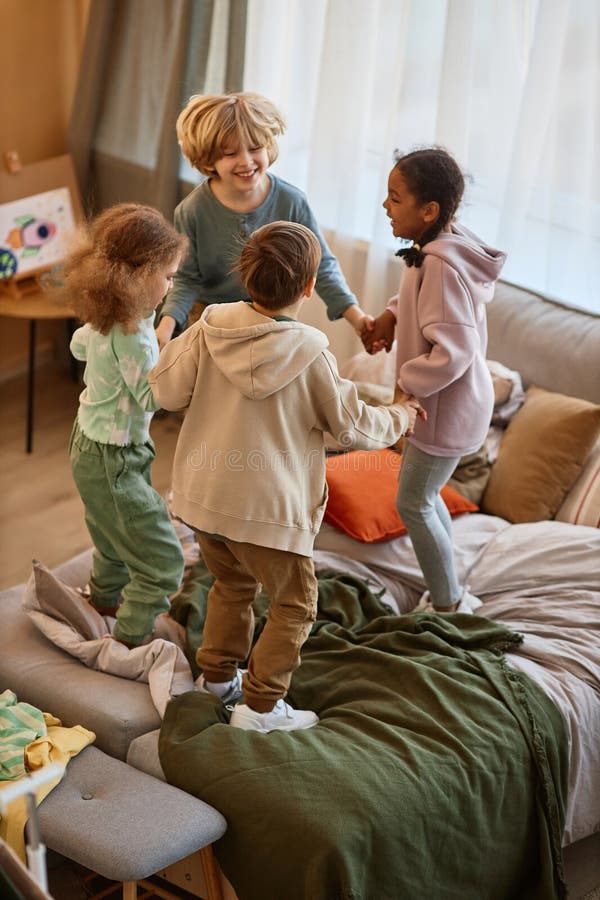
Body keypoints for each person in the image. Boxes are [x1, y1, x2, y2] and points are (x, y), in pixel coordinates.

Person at [149, 221, 421, 732]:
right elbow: (351, 424)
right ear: (308, 288)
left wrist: (176, 342)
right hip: (270, 514)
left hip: (203, 501)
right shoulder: (312, 350)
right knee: (296, 603)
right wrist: (401, 417)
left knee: (230, 585)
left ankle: (217, 678)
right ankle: (261, 706)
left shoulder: (209, 327)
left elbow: (163, 392)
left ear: (244, 275)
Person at [362, 147, 506, 613]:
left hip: (442, 410)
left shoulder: (440, 263)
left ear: (429, 211)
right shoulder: (439, 247)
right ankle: (450, 587)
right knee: (422, 497)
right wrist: (390, 313)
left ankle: (449, 603)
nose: (385, 205)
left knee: (413, 503)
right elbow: (424, 302)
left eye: (394, 197)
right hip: (449, 406)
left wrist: (406, 383)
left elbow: (455, 350)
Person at [59, 203, 188, 647]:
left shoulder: (107, 315)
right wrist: (181, 364)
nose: (171, 285)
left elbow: (80, 347)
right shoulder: (134, 336)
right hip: (115, 456)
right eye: (168, 276)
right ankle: (129, 641)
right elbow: (155, 395)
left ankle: (104, 601)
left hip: (88, 444)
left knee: (111, 532)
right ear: (136, 276)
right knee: (164, 560)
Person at [154, 91, 372, 349]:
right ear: (208, 158)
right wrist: (165, 329)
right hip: (211, 324)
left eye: (255, 148)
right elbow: (187, 279)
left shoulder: (292, 202)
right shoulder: (192, 211)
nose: (246, 161)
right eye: (230, 153)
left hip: (272, 321)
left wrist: (356, 317)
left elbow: (320, 265)